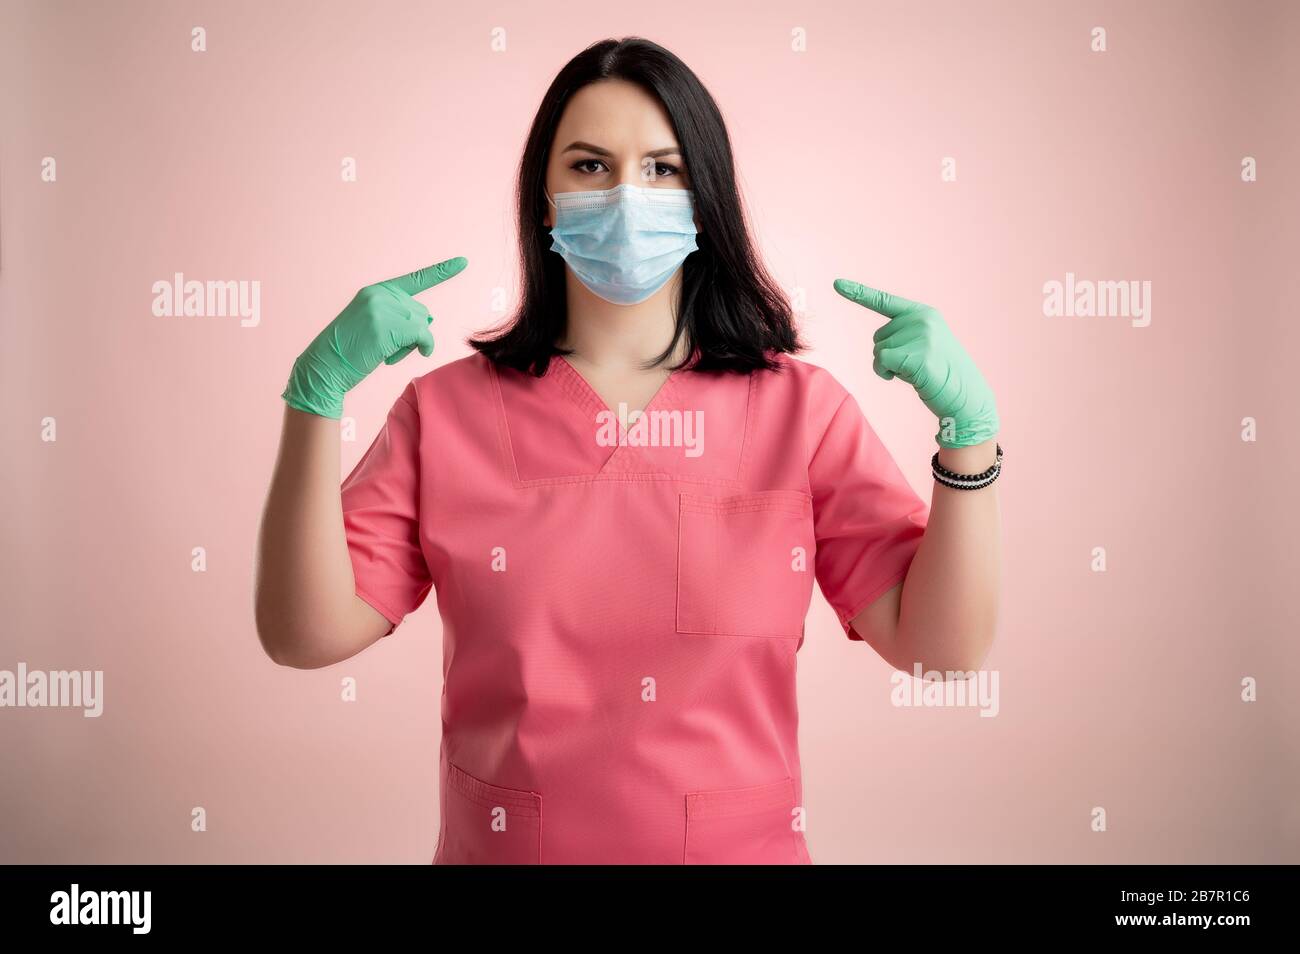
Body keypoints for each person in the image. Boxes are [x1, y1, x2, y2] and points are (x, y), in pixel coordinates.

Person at [254, 36, 1002, 865]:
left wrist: (969, 442)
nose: (624, 196)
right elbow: (303, 634)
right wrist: (314, 401)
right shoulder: (447, 414)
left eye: (661, 169)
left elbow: (942, 652)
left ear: (704, 197)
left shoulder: (801, 414)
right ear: (543, 197)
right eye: (588, 166)